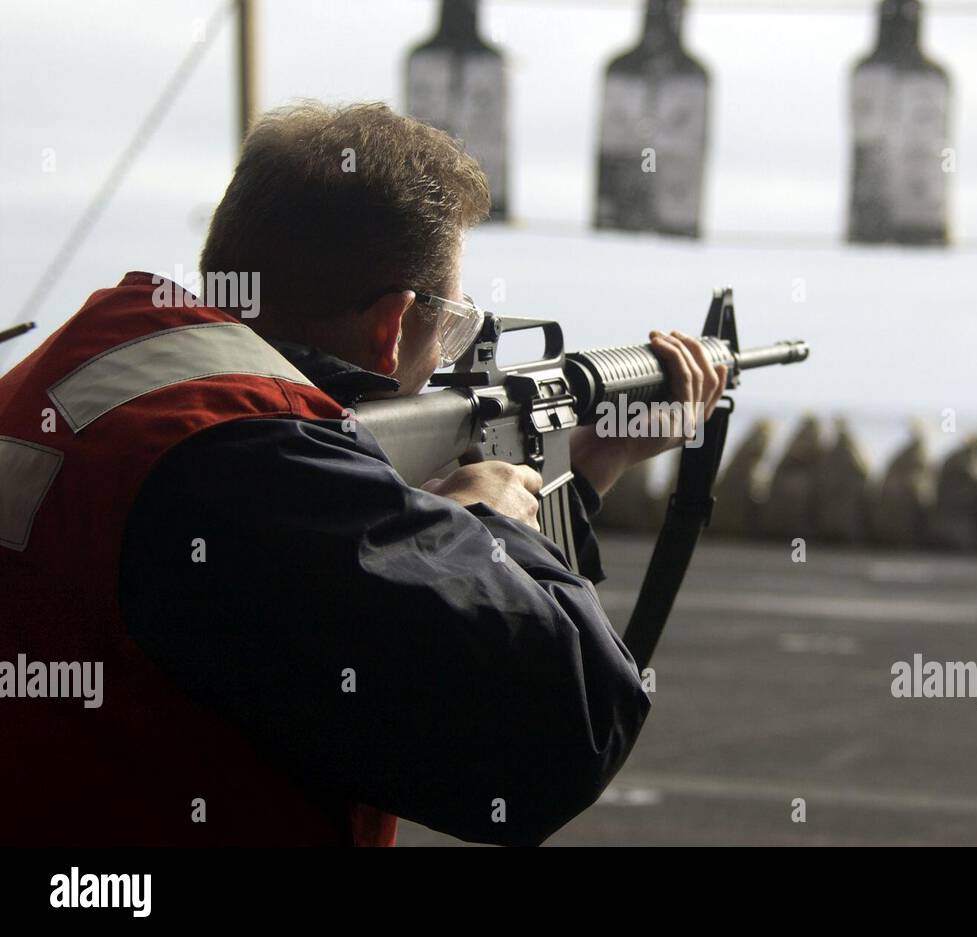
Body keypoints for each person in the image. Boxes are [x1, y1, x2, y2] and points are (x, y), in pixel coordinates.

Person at [0, 102, 726, 846]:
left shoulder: (95, 371)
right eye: (450, 324)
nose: (448, 353)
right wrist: (490, 529)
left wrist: (591, 466)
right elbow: (567, 730)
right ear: (390, 326)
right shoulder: (253, 465)